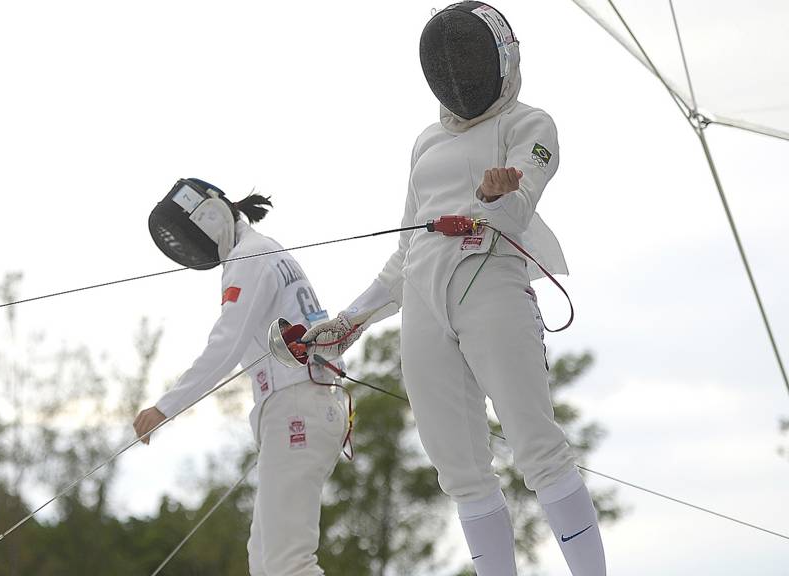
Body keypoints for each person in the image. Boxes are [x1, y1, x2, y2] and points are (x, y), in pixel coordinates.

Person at [302, 3, 606, 575]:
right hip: (422, 299)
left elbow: (523, 196)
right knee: (459, 470)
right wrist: (351, 320)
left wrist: (500, 192)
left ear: (502, 61)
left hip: (490, 277)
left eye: (469, 57)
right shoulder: (423, 143)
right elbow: (404, 251)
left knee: (536, 446)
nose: (458, 70)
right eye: (450, 60)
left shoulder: (529, 123)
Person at [135, 177, 348, 576]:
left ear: (212, 215)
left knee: (287, 563)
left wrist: (164, 407)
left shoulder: (249, 257)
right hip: (305, 405)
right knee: (265, 561)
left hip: (296, 406)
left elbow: (226, 344)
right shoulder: (265, 251)